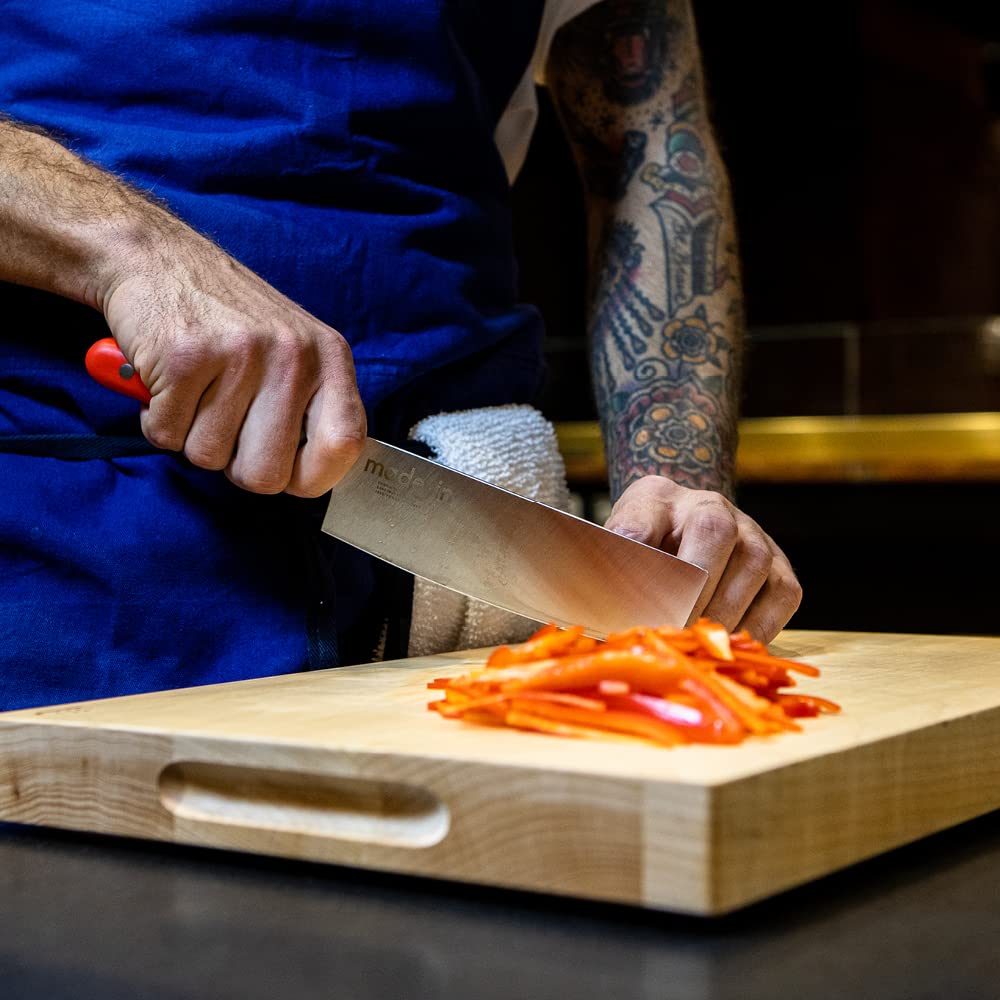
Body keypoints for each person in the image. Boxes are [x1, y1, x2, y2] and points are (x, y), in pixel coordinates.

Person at [0, 0, 801, 711]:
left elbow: (649, 157)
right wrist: (134, 251)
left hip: (462, 574)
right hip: (68, 532)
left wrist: (679, 499)